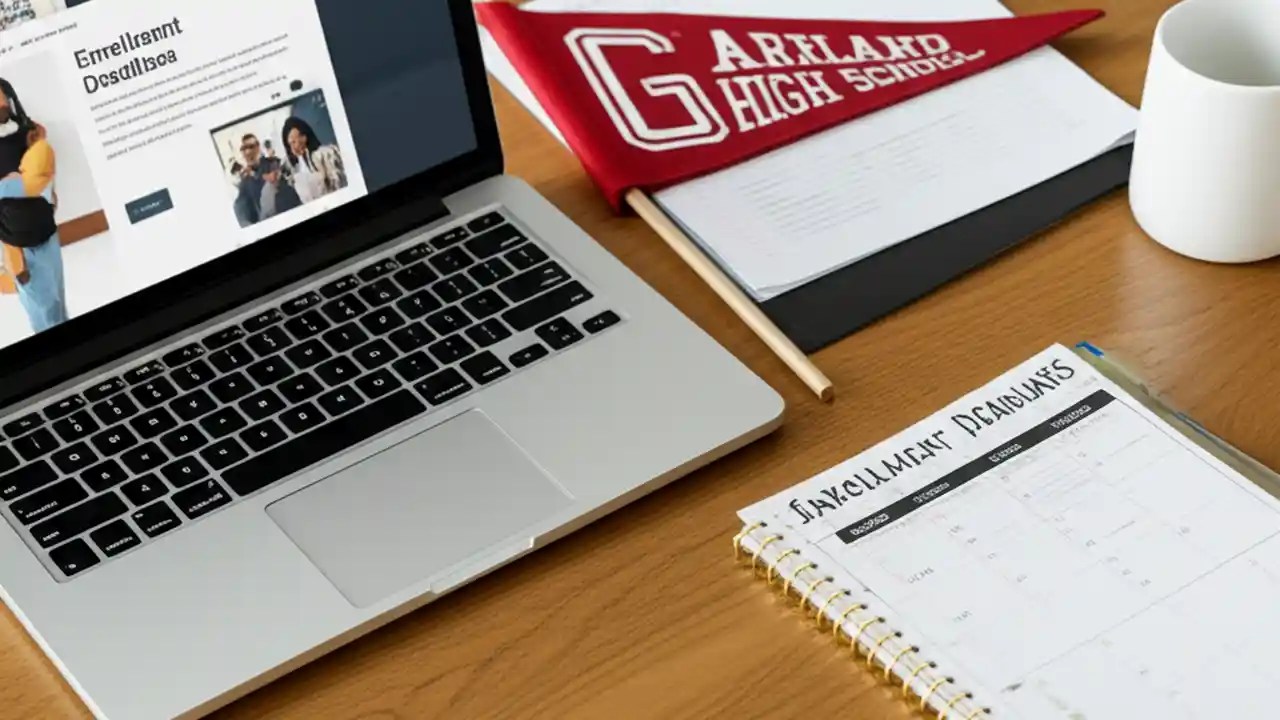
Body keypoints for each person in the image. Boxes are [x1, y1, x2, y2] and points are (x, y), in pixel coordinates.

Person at [0, 77, 66, 333]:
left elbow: (44, 179)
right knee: (43, 308)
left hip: (45, 228)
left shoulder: (29, 134)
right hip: (18, 241)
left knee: (57, 300)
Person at [282, 116, 345, 202]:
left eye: (301, 136)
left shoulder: (325, 155)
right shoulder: (293, 171)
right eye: (292, 142)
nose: (297, 144)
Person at [231, 133, 266, 227]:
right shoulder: (245, 181)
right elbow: (240, 207)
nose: (247, 152)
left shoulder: (272, 164)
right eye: (243, 149)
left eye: (251, 147)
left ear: (258, 147)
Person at [258, 156, 301, 220]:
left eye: (277, 168)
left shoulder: (289, 186)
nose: (276, 173)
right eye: (271, 170)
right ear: (264, 176)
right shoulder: (265, 193)